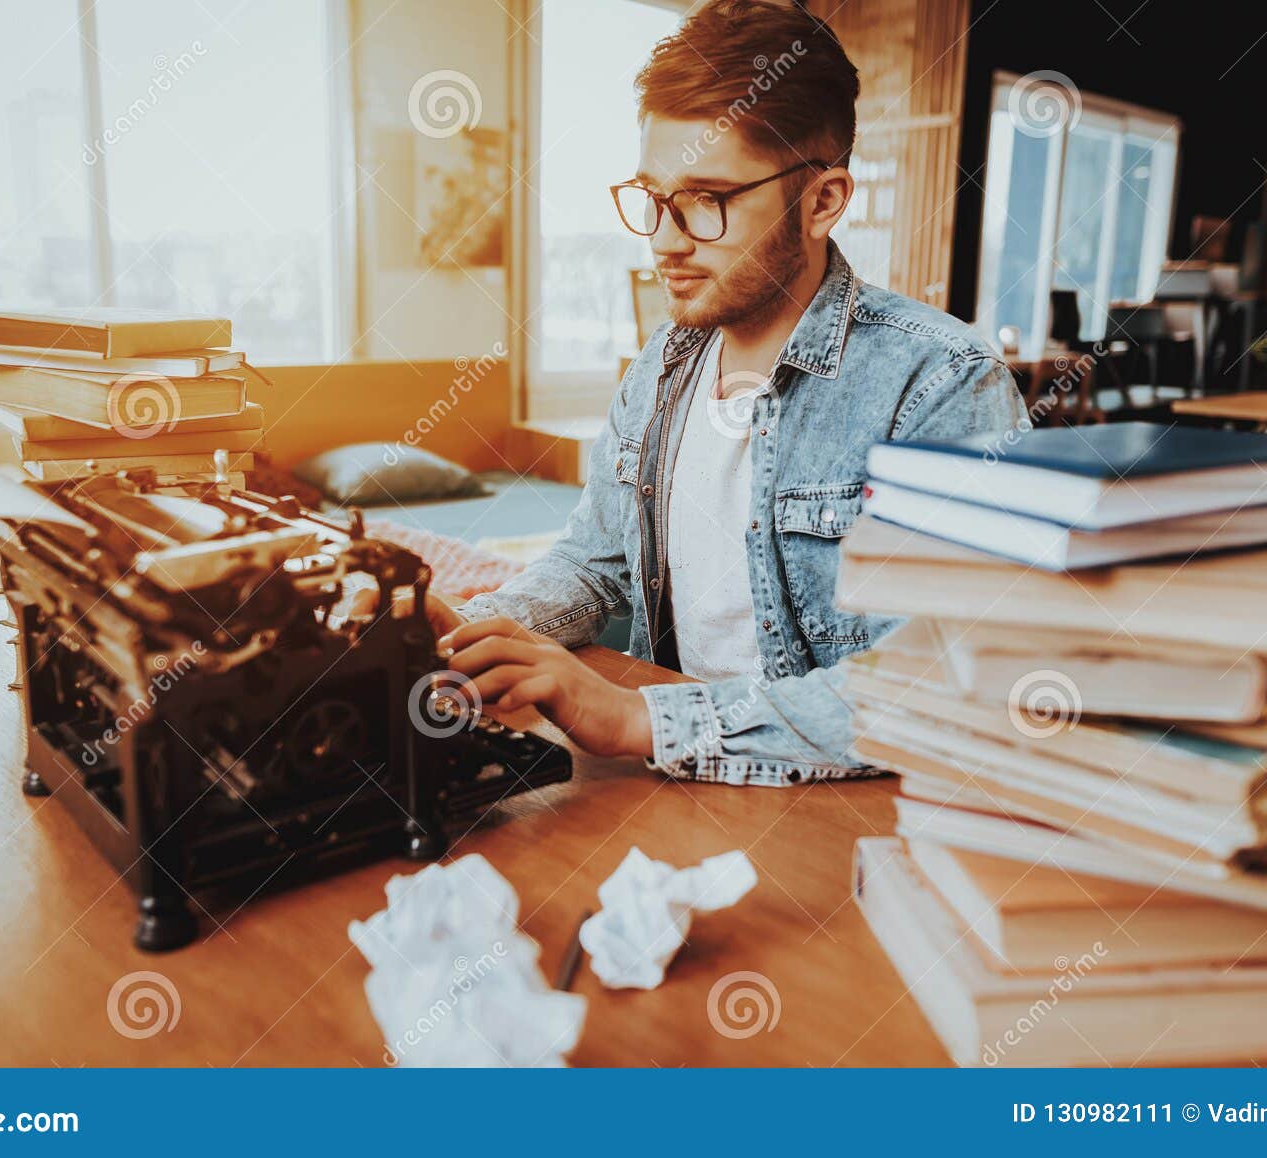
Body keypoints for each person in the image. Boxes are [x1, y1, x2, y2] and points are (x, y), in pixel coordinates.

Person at [430, 0, 1022, 785]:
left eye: (707, 200)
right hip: (672, 782)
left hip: (839, 816)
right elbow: (595, 561)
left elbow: (936, 685)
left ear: (823, 201)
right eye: (655, 197)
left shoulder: (942, 383)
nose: (665, 240)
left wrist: (635, 716)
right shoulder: (664, 364)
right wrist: (469, 633)